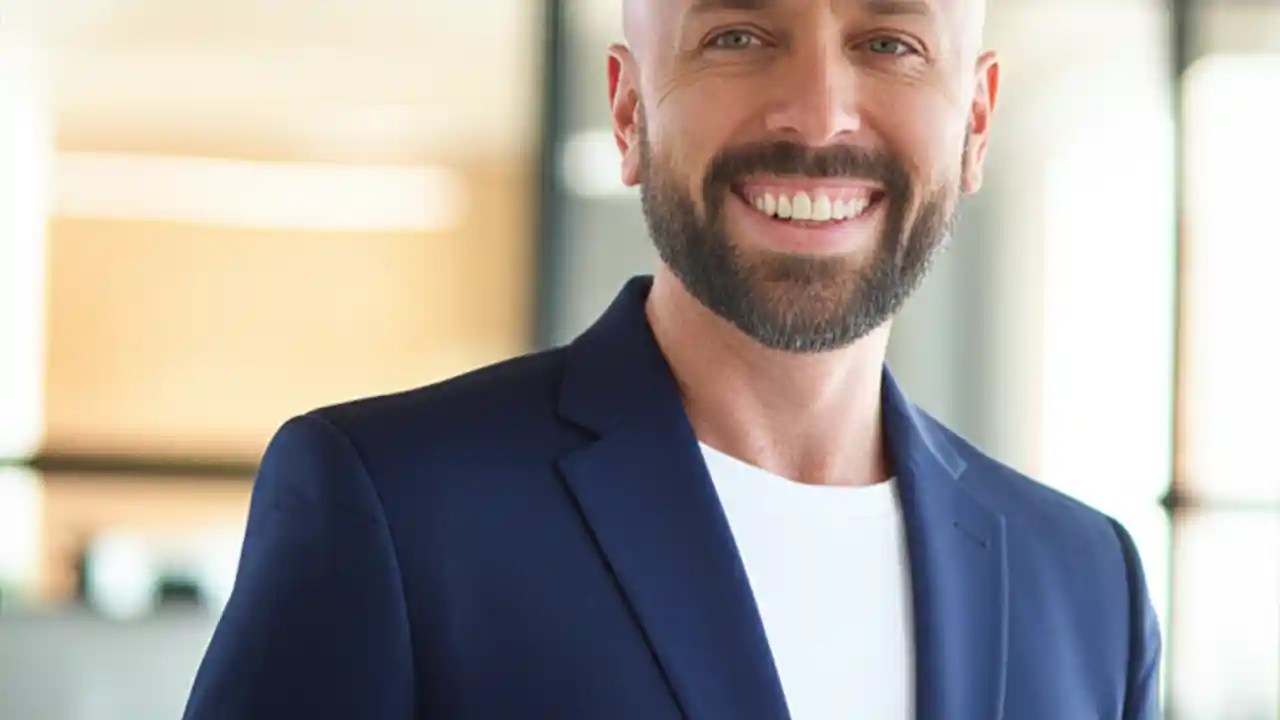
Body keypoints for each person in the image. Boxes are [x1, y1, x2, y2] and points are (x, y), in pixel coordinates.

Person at [183, 0, 1162, 717]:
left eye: (889, 45)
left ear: (976, 123)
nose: (818, 113)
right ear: (628, 113)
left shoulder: (1087, 586)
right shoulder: (395, 508)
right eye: (737, 37)